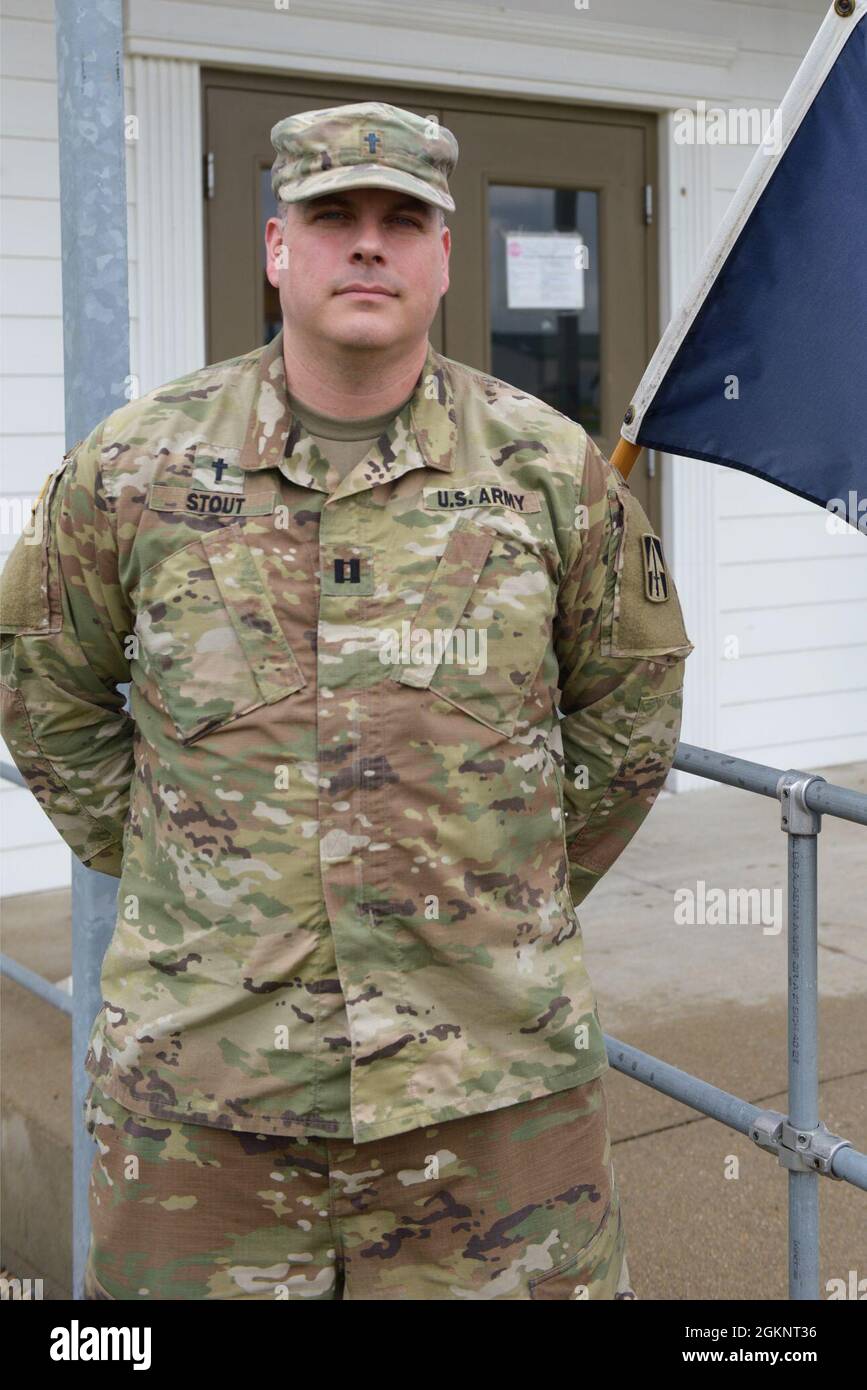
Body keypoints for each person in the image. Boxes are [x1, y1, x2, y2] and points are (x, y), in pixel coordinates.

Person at [0, 101, 693, 1300]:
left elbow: (632, 714)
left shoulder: (545, 471)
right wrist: (184, 862)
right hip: (207, 1102)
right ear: (278, 249)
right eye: (333, 216)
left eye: (399, 219)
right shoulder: (138, 465)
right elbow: (41, 682)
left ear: (442, 257)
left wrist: (503, 888)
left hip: (489, 1097)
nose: (366, 244)